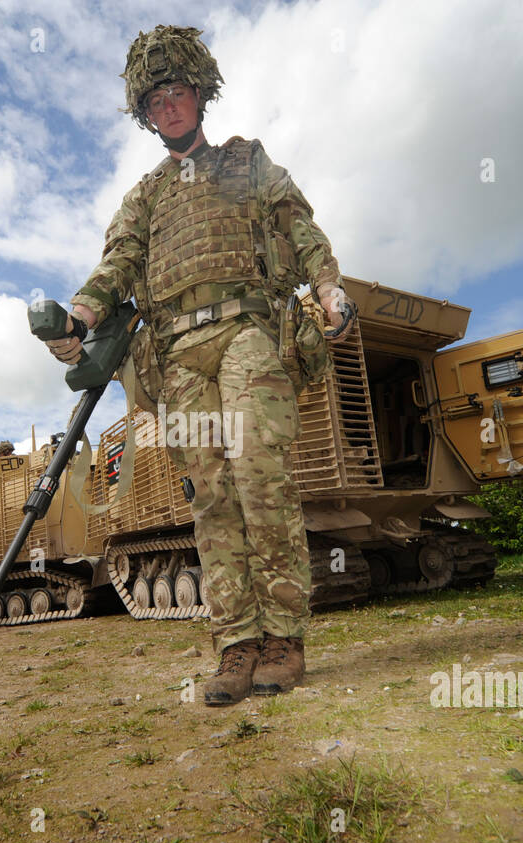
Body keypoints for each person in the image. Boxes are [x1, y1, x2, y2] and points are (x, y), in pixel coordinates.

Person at [45, 25, 348, 705]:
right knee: (210, 495)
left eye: (176, 92)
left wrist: (329, 289)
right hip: (180, 353)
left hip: (247, 328)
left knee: (260, 475)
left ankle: (283, 639)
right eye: (154, 101)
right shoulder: (145, 197)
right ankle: (236, 642)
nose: (167, 106)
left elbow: (300, 231)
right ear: (146, 116)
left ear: (200, 94)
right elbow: (115, 268)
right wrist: (78, 318)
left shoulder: (246, 163)